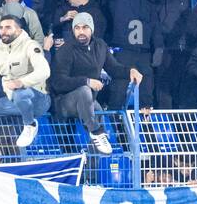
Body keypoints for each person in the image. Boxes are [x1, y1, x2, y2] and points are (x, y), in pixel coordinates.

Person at [49, 12, 143, 154]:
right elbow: (58, 82)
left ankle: (94, 165)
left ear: (91, 29)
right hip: (64, 102)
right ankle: (96, 131)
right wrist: (86, 81)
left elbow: (113, 68)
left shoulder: (100, 45)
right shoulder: (65, 50)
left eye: (85, 27)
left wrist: (130, 71)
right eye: (77, 28)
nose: (81, 31)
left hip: (89, 102)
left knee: (97, 109)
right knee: (85, 90)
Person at [0, 15, 51, 151]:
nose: (3, 31)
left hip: (39, 100)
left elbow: (44, 71)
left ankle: (30, 125)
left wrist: (21, 82)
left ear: (19, 30)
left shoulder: (30, 46)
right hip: (13, 101)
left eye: (8, 27)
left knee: (20, 93)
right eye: (1, 28)